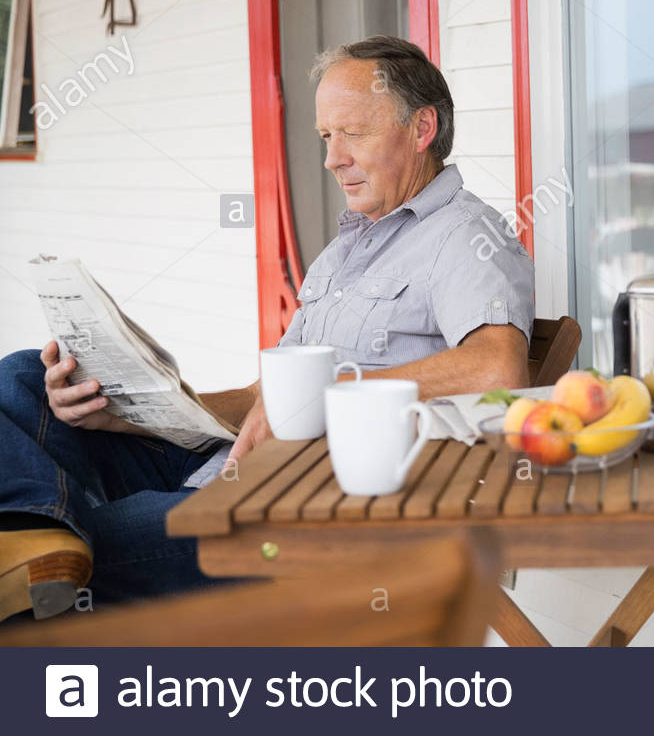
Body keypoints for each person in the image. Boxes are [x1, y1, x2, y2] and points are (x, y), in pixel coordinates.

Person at [0, 35, 534, 622]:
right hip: (227, 464)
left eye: (351, 132)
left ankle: (41, 557)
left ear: (421, 128)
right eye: (327, 137)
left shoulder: (464, 234)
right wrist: (124, 413)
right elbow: (265, 399)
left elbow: (495, 366)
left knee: (79, 547)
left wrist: (328, 401)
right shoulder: (348, 249)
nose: (332, 158)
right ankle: (37, 536)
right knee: (25, 378)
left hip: (308, 510)